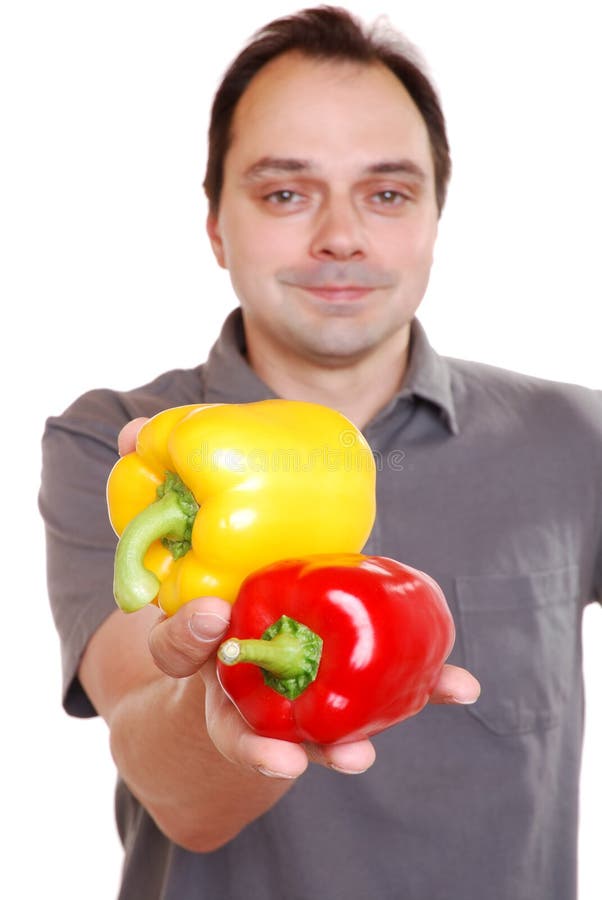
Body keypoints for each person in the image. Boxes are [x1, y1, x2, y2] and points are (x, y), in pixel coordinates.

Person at [39, 6, 601, 900]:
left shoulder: (574, 438)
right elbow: (162, 769)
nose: (341, 235)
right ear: (216, 225)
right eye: (285, 193)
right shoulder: (119, 442)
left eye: (387, 193)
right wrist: (221, 724)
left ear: (434, 220)